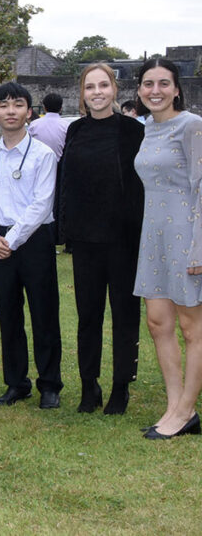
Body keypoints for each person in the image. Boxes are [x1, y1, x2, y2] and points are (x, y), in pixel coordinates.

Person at [55, 62, 143, 415]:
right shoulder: (74, 130)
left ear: (114, 90)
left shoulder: (132, 130)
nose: (96, 92)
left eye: (103, 85)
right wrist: (64, 230)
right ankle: (89, 386)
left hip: (123, 241)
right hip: (85, 241)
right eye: (90, 87)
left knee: (124, 316)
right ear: (82, 93)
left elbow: (140, 186)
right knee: (87, 317)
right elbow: (67, 184)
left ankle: (121, 387)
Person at [0, 83, 63, 409]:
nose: (11, 111)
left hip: (34, 240)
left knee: (44, 314)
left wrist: (11, 240)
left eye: (18, 104)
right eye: (4, 105)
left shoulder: (42, 154)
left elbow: (42, 204)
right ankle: (17, 382)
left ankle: (50, 384)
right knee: (8, 316)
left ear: (29, 111)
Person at [132, 58, 202, 439]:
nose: (154, 90)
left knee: (193, 329)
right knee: (158, 324)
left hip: (189, 237)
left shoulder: (192, 126)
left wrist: (200, 249)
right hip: (154, 236)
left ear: (177, 89)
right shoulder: (146, 130)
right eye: (147, 83)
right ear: (139, 91)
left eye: (163, 83)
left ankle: (187, 410)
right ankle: (174, 407)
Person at [28, 93, 67, 160]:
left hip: (38, 164)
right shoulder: (67, 126)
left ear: (44, 107)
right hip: (60, 166)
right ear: (61, 108)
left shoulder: (34, 125)